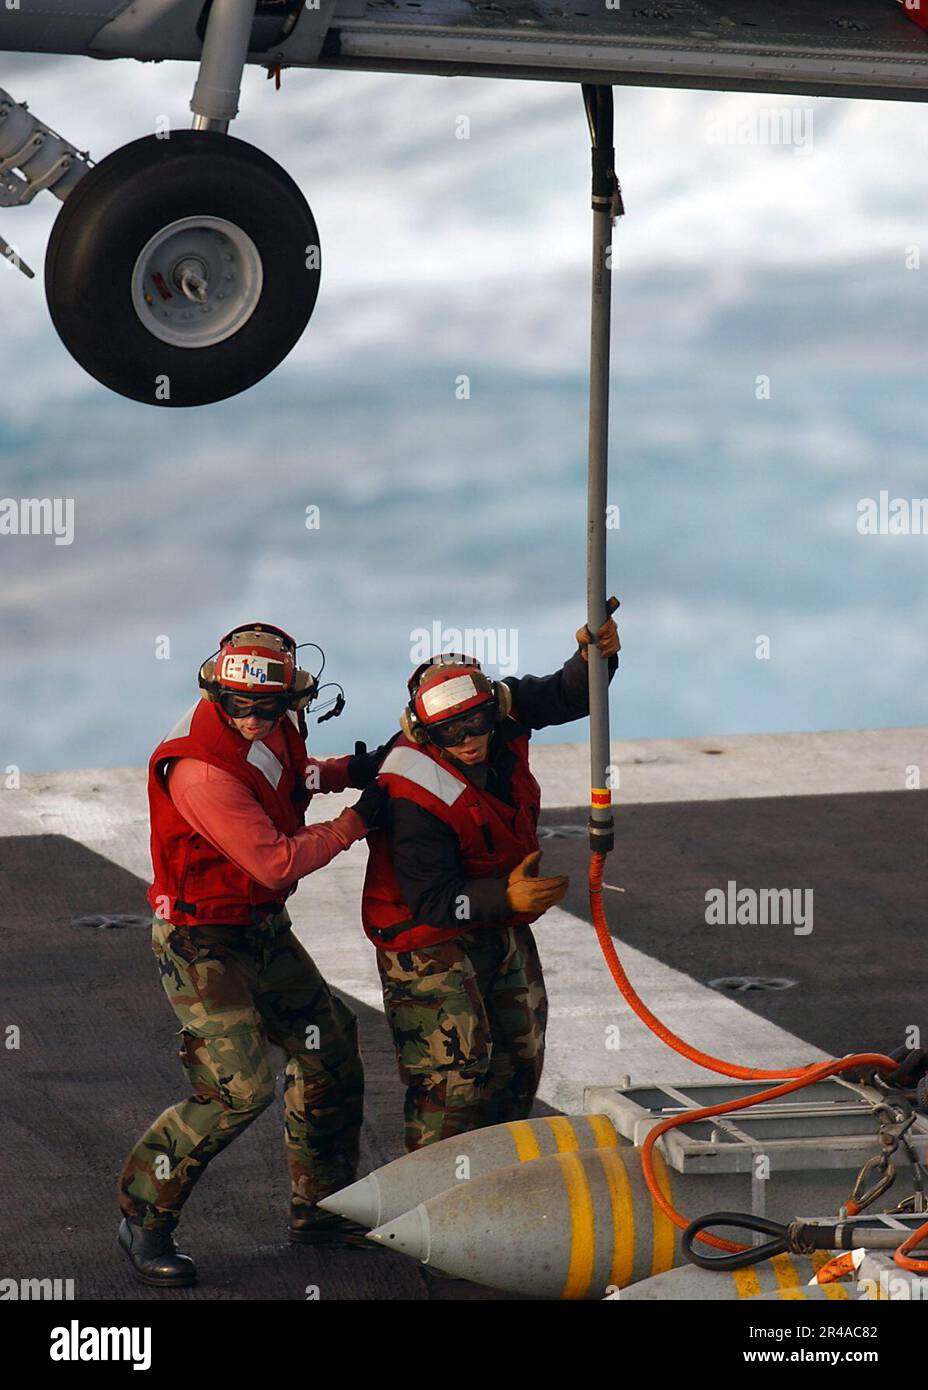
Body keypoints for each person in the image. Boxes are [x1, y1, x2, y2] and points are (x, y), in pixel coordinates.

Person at [117, 622, 390, 1286]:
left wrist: (351, 770)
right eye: (236, 706)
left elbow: (291, 774)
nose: (248, 719)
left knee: (330, 1048)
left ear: (286, 698)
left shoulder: (273, 723)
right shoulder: (203, 770)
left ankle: (320, 1212)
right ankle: (143, 1218)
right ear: (216, 691)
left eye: (263, 709)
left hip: (258, 928)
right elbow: (274, 861)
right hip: (201, 941)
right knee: (236, 1091)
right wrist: (359, 818)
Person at [361, 604, 620, 1151]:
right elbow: (431, 901)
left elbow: (569, 694)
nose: (470, 739)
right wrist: (506, 894)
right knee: (454, 1076)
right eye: (451, 733)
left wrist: (593, 656)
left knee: (519, 1055)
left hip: (496, 913)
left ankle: (497, 1181)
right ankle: (431, 1197)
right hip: (424, 933)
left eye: (477, 723)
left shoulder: (503, 712)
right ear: (424, 733)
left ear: (493, 709)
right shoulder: (410, 792)